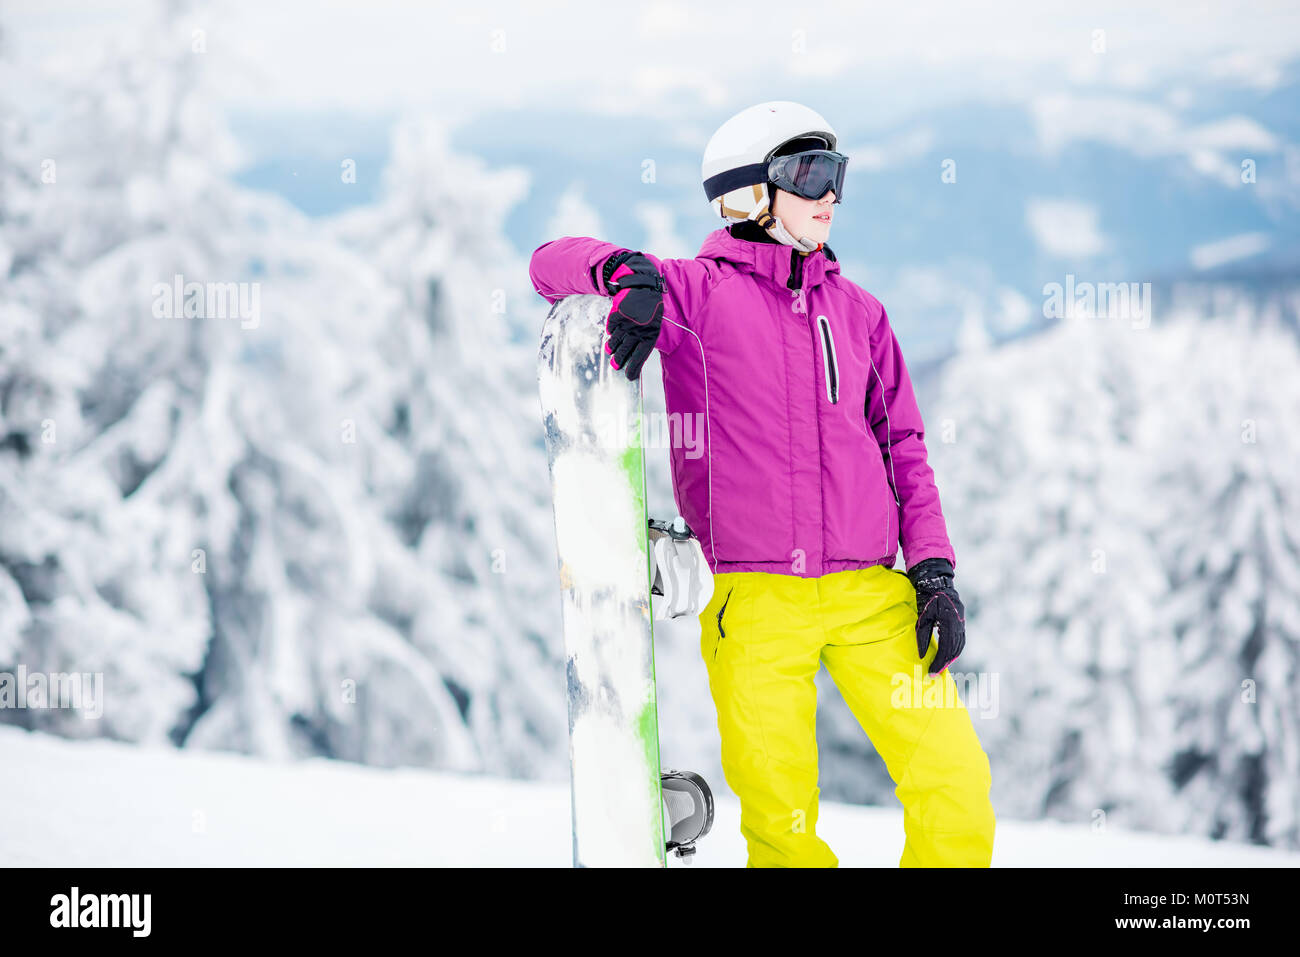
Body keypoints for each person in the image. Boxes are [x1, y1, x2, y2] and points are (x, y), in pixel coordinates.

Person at [529, 101, 995, 867]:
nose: (830, 195)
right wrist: (624, 273)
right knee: (785, 828)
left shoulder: (861, 313)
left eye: (835, 174)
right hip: (755, 601)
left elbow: (903, 445)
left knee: (954, 782)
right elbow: (547, 262)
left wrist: (934, 569)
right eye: (809, 174)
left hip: (872, 594)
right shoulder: (697, 297)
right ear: (750, 193)